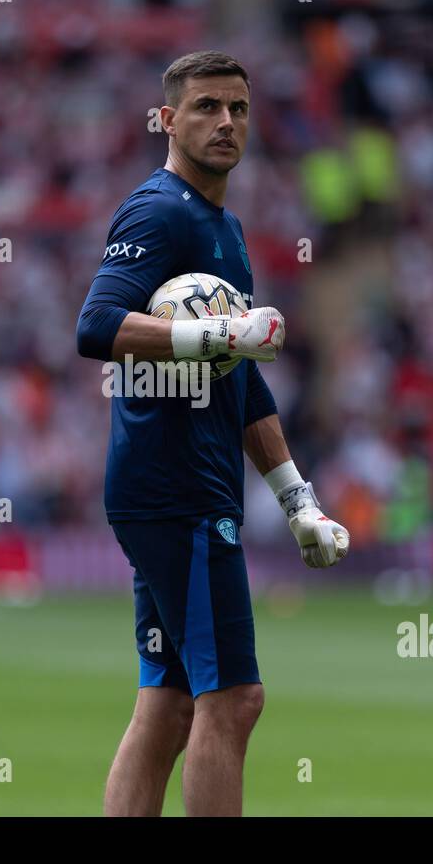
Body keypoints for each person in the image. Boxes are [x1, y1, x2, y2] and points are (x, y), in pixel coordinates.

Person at [75, 51, 350, 816]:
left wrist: (298, 500)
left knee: (168, 707)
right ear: (166, 120)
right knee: (233, 700)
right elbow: (95, 326)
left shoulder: (223, 230)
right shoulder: (159, 210)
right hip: (179, 492)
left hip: (171, 489)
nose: (225, 122)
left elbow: (240, 379)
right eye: (205, 107)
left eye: (237, 108)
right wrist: (219, 332)